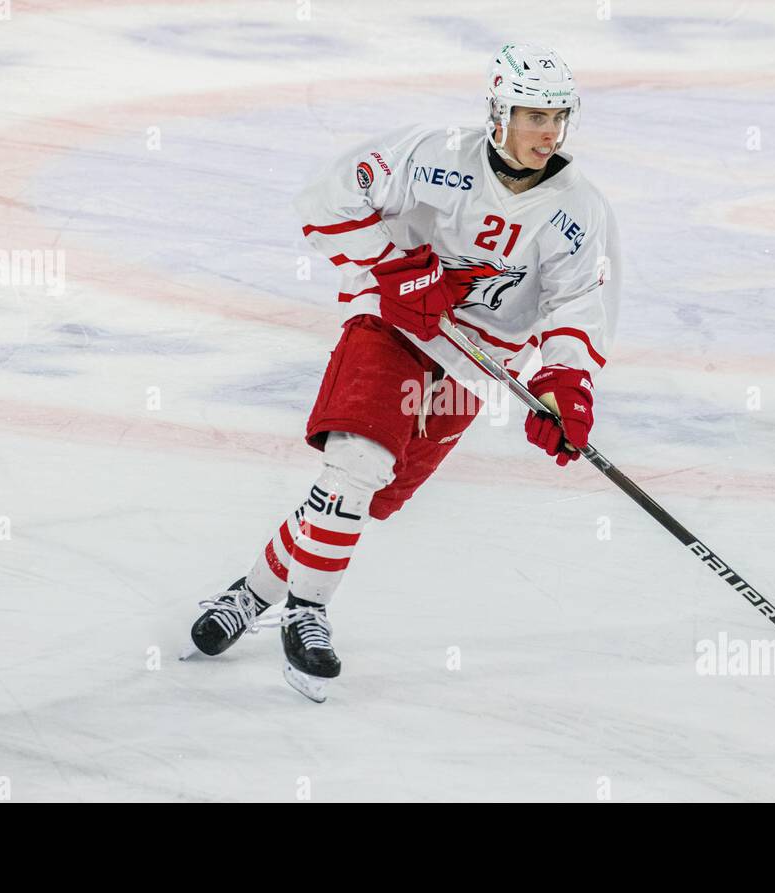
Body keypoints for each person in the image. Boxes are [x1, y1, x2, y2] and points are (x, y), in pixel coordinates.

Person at [185, 43, 621, 702]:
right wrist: (395, 264)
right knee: (355, 463)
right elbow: (326, 198)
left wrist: (566, 385)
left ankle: (250, 593)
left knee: (370, 495)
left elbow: (576, 306)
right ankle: (307, 610)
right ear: (499, 112)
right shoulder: (434, 155)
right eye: (534, 115)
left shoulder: (581, 211)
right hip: (395, 327)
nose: (550, 132)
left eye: (558, 116)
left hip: (479, 364)